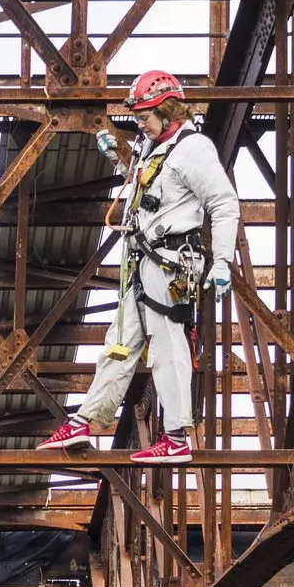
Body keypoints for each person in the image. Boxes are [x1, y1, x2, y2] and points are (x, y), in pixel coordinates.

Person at [38, 70, 241, 464]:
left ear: (169, 110)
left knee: (167, 345)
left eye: (144, 116)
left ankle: (177, 435)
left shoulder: (193, 149)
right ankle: (87, 419)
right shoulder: (153, 148)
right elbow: (146, 193)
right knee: (120, 341)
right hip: (142, 261)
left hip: (170, 263)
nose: (139, 124)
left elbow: (223, 203)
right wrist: (120, 159)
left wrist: (222, 262)